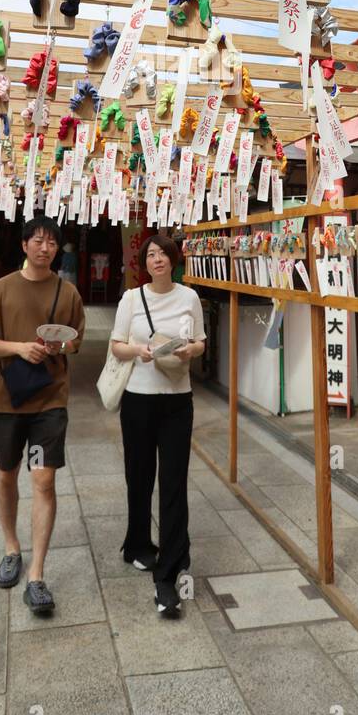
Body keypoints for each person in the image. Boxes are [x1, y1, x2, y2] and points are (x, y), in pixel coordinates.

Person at [0, 215, 85, 615]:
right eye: (37, 241)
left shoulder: (67, 291)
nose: (45, 248)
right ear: (24, 246)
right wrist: (20, 348)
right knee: (7, 471)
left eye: (52, 243)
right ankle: (11, 548)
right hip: (7, 400)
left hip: (49, 401)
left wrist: (59, 349)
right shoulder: (0, 290)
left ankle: (37, 575)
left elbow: (75, 339)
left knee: (43, 479)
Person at [109, 234, 205, 618]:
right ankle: (136, 544)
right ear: (144, 262)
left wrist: (189, 350)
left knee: (174, 480)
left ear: (173, 259)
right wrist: (140, 351)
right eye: (150, 254)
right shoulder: (131, 299)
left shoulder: (190, 297)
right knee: (139, 474)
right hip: (138, 397)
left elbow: (200, 342)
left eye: (163, 253)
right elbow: (116, 344)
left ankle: (170, 567)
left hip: (177, 400)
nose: (157, 259)